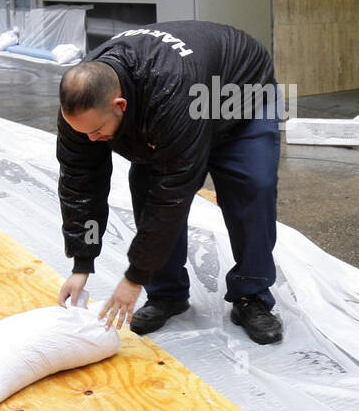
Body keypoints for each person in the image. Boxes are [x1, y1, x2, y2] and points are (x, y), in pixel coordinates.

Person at [55, 21, 284, 345]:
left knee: (252, 188)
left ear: (120, 105)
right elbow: (81, 185)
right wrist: (83, 262)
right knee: (147, 189)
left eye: (97, 131)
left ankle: (252, 295)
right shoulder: (83, 105)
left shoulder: (170, 90)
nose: (91, 139)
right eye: (83, 132)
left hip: (240, 96)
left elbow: (173, 194)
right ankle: (167, 294)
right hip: (182, 100)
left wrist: (134, 278)